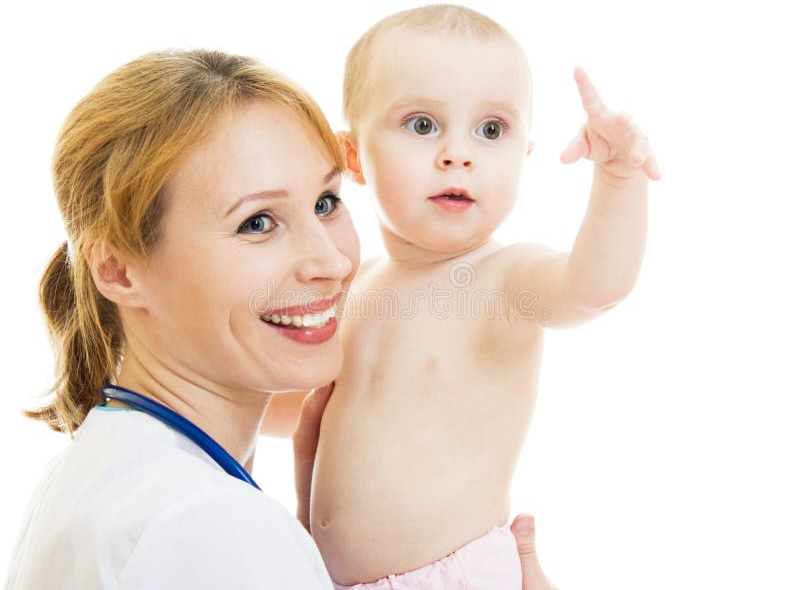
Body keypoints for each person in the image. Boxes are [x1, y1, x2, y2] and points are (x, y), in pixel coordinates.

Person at [6, 49, 555, 589]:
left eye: (325, 203)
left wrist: (300, 559)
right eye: (257, 222)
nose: (333, 263)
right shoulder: (204, 523)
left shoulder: (115, 476)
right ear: (120, 271)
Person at [300, 4, 659, 589]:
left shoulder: (504, 280)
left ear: (524, 155)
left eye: (491, 130)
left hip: (454, 576)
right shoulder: (359, 281)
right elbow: (313, 405)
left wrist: (619, 180)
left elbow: (595, 289)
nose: (458, 153)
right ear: (354, 156)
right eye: (422, 125)